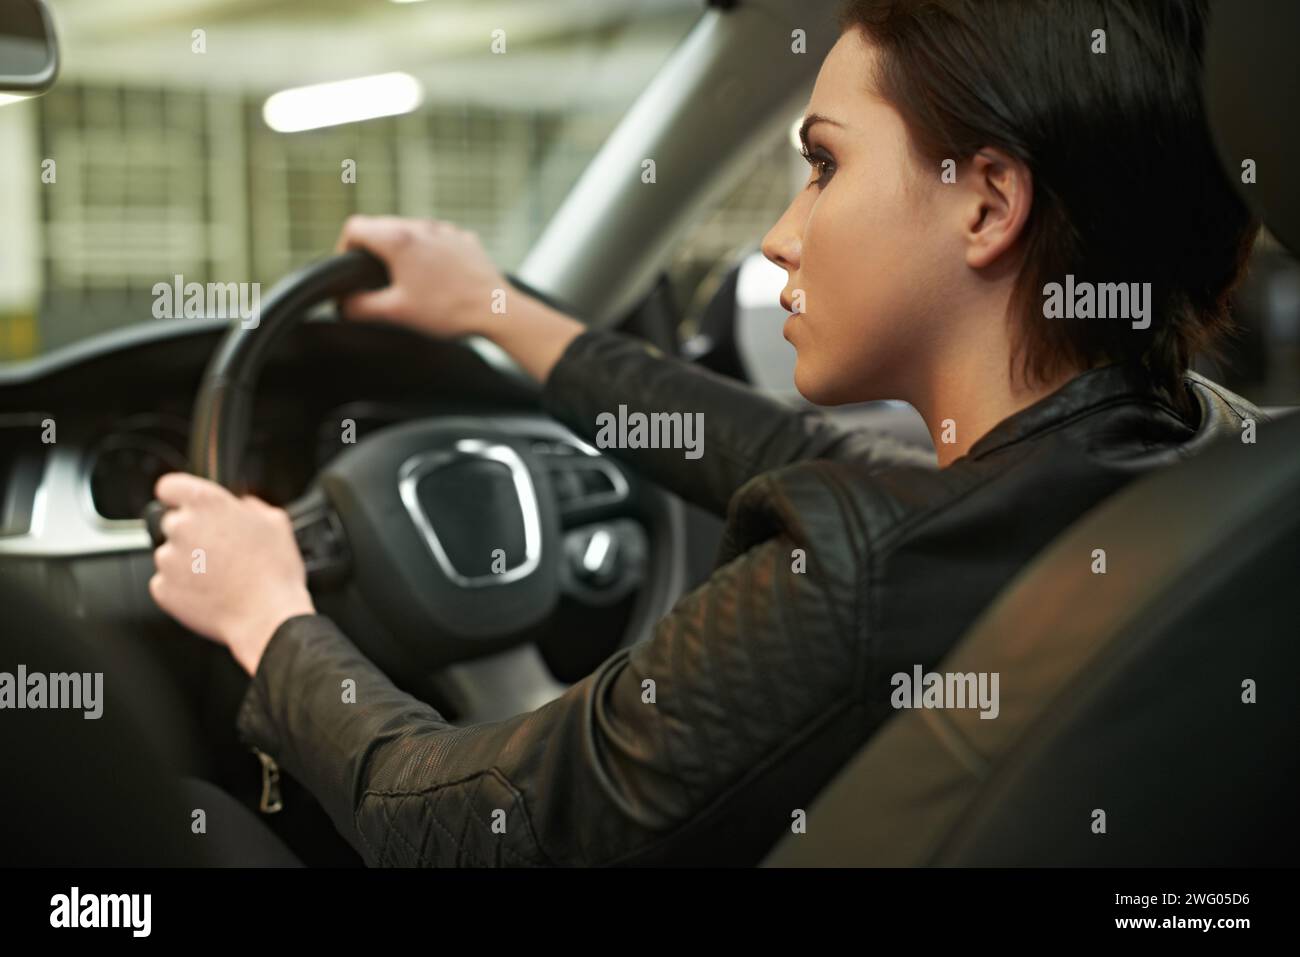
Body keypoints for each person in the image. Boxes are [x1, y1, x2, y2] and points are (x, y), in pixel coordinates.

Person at [147, 0, 1264, 865]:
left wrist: (266, 614)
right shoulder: (1206, 456)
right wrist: (494, 308)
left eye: (822, 166)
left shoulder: (860, 572)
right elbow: (798, 461)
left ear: (985, 205)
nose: (781, 235)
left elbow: (471, 832)